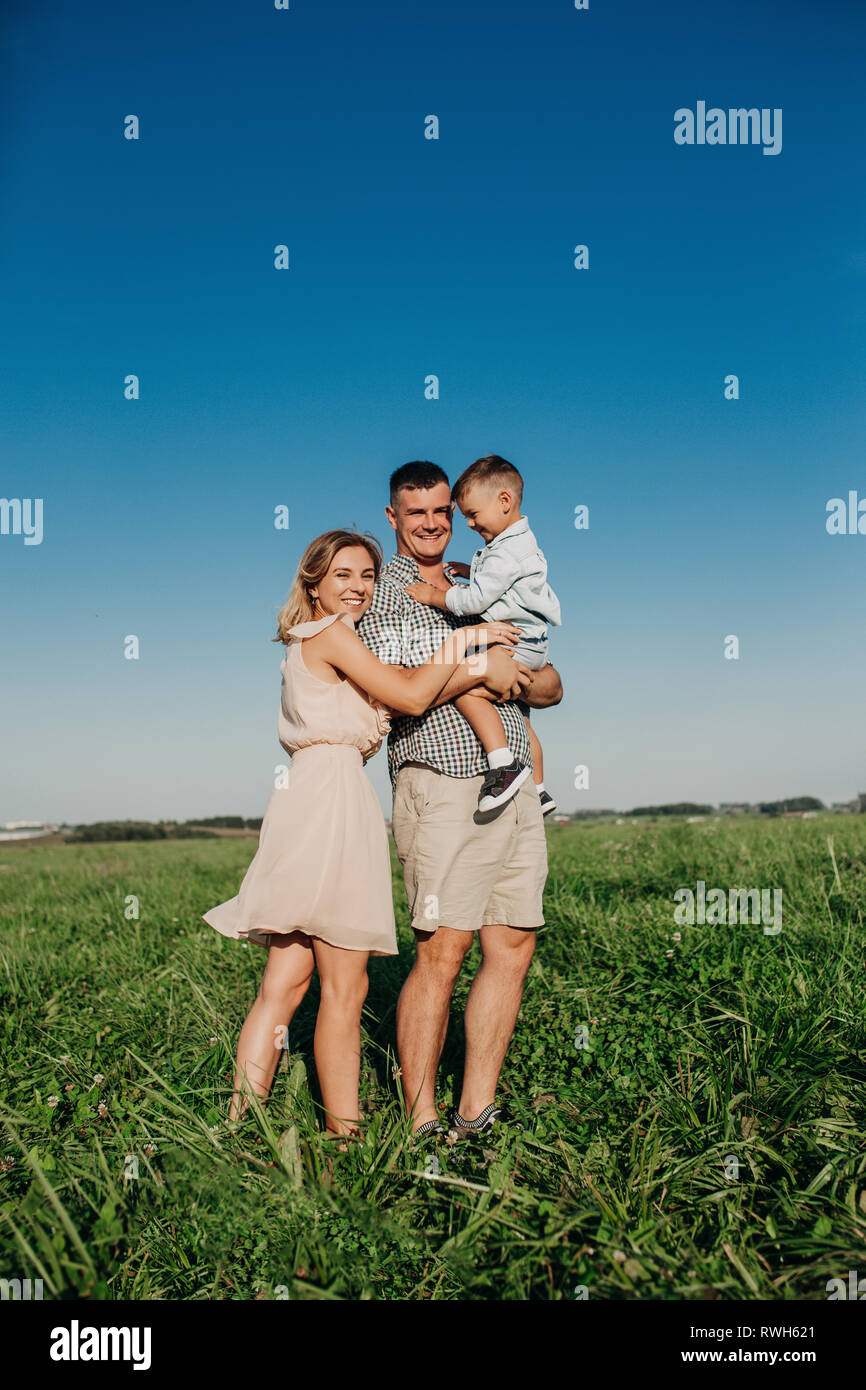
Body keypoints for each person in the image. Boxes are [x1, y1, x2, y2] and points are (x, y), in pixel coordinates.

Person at [202, 528, 521, 1140]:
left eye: (368, 576)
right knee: (345, 987)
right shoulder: (330, 636)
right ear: (314, 585)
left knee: (286, 982)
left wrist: (464, 662)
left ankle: (238, 1126)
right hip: (332, 804)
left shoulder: (320, 643)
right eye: (342, 575)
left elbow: (409, 698)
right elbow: (407, 692)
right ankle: (343, 1135)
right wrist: (472, 642)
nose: (358, 587)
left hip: (304, 798)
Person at [357, 462, 564, 1140]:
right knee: (442, 951)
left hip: (512, 777)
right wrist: (480, 664)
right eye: (415, 512)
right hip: (442, 779)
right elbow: (399, 687)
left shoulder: (479, 577)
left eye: (442, 509)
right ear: (393, 518)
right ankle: (419, 1119)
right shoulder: (380, 590)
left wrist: (514, 677)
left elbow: (552, 681)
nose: (433, 522)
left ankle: (476, 1109)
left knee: (514, 942)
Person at [406, 454, 561, 817]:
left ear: (503, 501)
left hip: (514, 645)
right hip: (534, 645)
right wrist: (469, 568)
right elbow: (497, 580)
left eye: (473, 515)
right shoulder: (517, 543)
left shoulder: (506, 553)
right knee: (520, 717)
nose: (471, 524)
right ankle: (538, 788)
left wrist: (433, 595)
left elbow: (477, 597)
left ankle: (503, 763)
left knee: (467, 687)